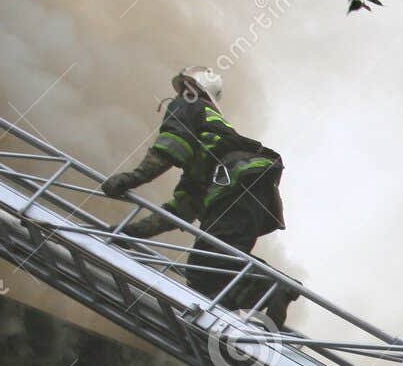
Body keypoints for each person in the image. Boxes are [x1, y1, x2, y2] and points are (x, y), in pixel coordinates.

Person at [101, 66, 295, 326]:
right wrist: (131, 233)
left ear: (193, 88)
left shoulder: (188, 105)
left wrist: (132, 178)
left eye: (183, 88)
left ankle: (271, 286)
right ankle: (252, 310)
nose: (179, 93)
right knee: (208, 269)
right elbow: (181, 210)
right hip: (247, 189)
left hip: (236, 185)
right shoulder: (208, 144)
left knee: (209, 265)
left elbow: (170, 146)